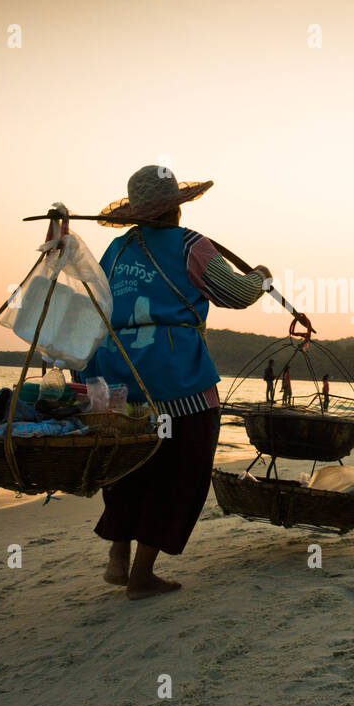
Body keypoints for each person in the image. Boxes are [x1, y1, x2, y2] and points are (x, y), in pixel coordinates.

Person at [81, 165, 271, 600]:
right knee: (180, 469)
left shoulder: (116, 248)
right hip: (175, 379)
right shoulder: (191, 246)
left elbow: (96, 302)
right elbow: (235, 295)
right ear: (176, 210)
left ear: (136, 214)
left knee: (128, 463)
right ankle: (142, 576)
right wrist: (260, 277)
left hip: (114, 375)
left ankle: (118, 555)